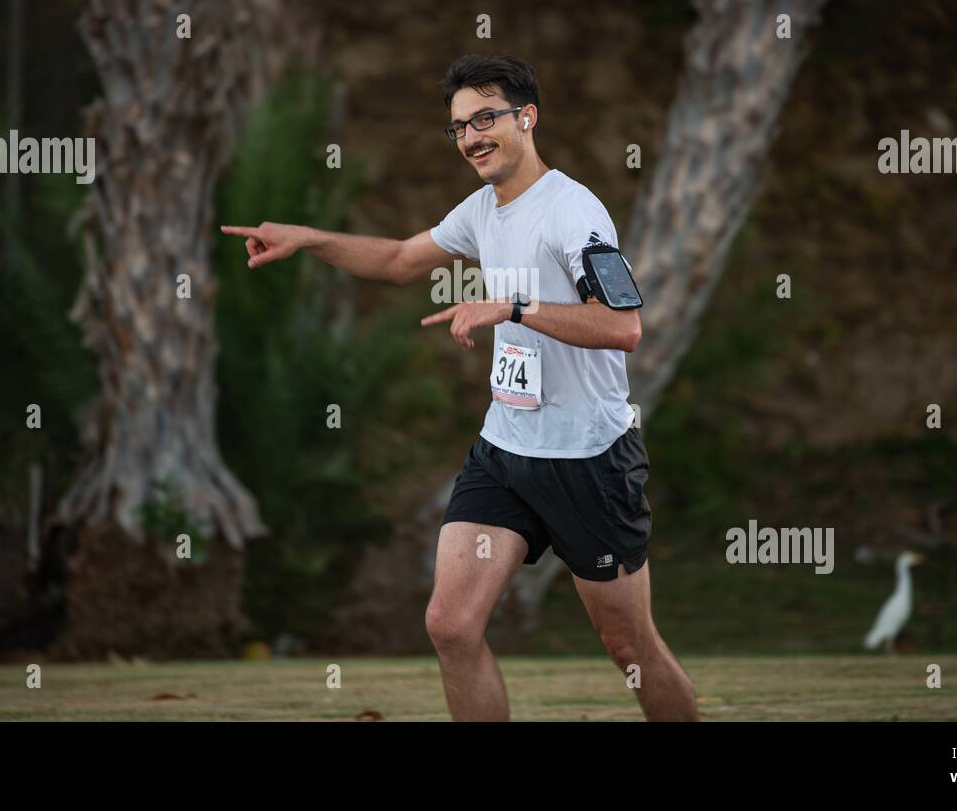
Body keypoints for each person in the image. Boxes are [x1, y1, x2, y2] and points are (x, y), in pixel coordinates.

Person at [222, 53, 697, 721]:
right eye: (459, 127)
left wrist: (514, 307)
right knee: (450, 624)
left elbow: (624, 328)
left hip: (589, 460)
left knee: (627, 646)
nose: (471, 136)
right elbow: (395, 261)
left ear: (527, 118)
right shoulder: (480, 210)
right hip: (504, 454)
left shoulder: (573, 212)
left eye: (485, 119)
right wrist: (309, 239)